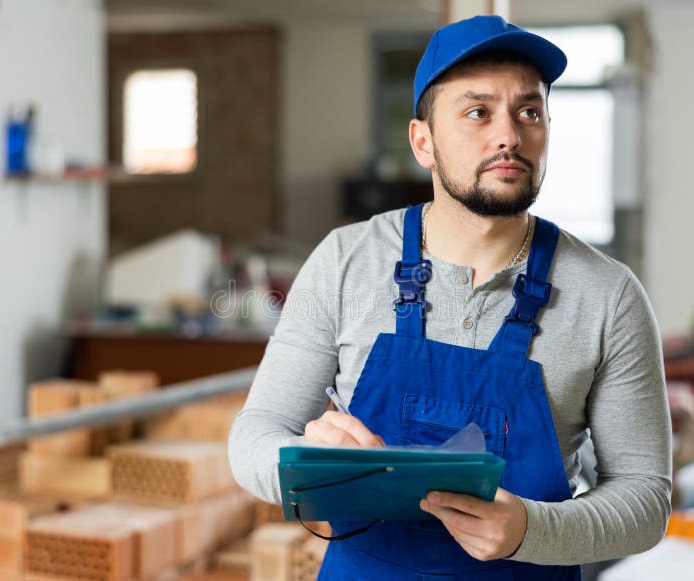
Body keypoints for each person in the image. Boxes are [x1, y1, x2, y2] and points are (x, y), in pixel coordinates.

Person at [229, 14, 671, 580]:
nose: (509, 134)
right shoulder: (345, 263)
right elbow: (255, 433)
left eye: (529, 112)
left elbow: (645, 499)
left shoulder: (609, 297)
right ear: (423, 142)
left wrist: (532, 530)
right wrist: (307, 467)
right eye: (477, 113)